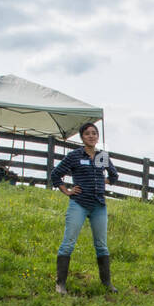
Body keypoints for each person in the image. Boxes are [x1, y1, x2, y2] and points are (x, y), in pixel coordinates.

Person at [51, 122, 120, 294]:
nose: (91, 136)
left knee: (102, 245)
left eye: (94, 133)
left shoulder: (101, 155)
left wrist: (100, 181)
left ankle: (107, 283)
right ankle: (60, 284)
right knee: (68, 243)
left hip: (98, 205)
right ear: (82, 137)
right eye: (87, 133)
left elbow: (114, 176)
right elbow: (55, 174)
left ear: (97, 137)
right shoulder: (75, 155)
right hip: (79, 203)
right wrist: (67, 191)